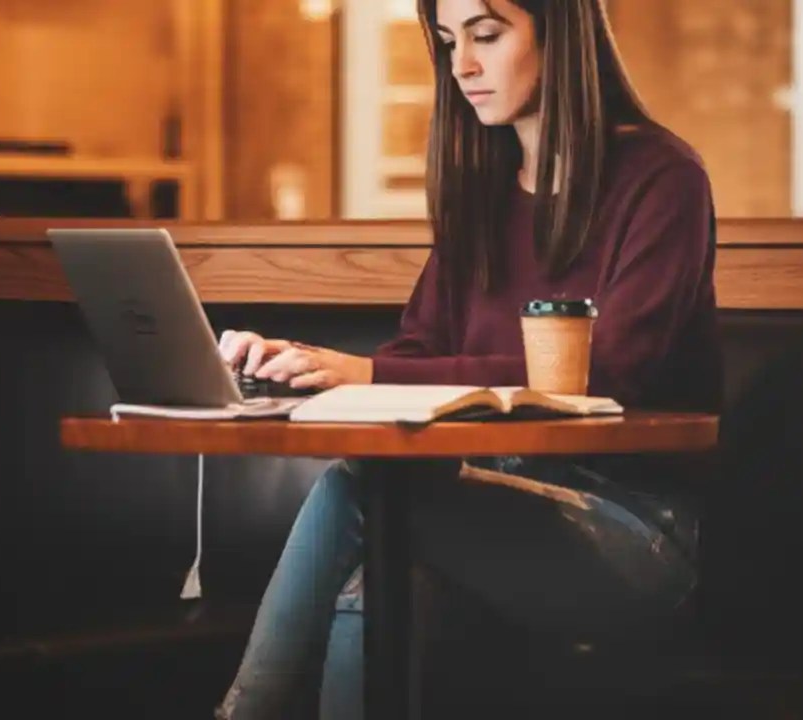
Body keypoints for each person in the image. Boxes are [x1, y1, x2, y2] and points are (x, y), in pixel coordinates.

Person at [213, 0, 721, 716]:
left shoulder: (662, 178)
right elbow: (418, 351)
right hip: (480, 507)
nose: (463, 66)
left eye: (486, 35)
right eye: (449, 42)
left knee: (357, 490)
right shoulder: (483, 190)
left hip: (636, 532)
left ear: (563, 31)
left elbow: (604, 373)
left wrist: (368, 373)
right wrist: (305, 367)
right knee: (376, 589)